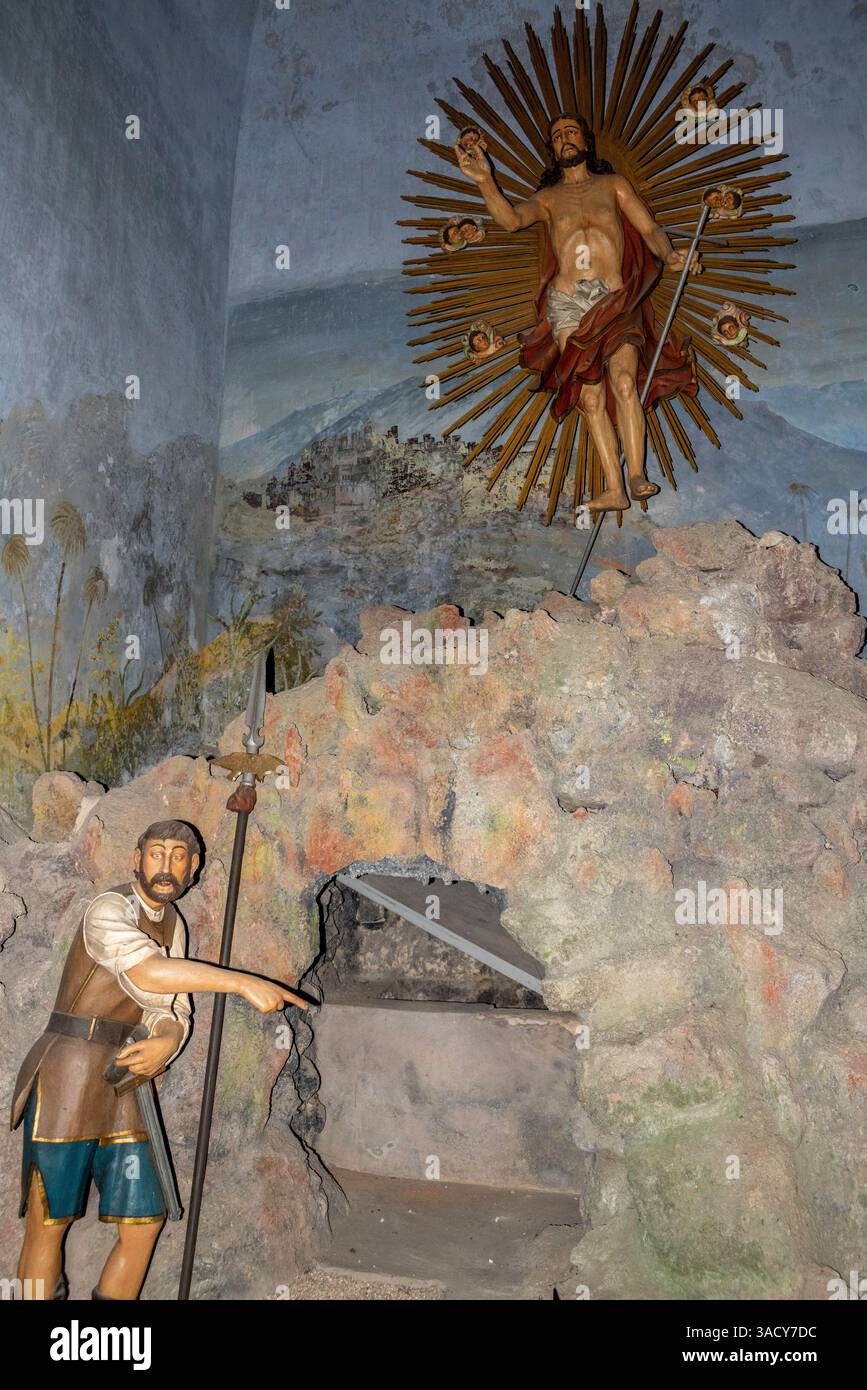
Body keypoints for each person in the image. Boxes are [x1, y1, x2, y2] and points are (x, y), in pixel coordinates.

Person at [10, 819, 306, 1301]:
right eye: (156, 853)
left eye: (178, 857)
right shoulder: (107, 909)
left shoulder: (174, 924)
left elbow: (171, 1006)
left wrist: (168, 1041)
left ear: (194, 868)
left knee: (143, 1218)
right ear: (136, 858)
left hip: (127, 1079)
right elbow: (147, 972)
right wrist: (240, 982)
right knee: (50, 1219)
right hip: (68, 1073)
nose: (165, 866)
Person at [455, 110, 700, 512]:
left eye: (571, 132)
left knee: (624, 383)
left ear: (585, 142)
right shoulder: (548, 199)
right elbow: (512, 220)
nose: (565, 139)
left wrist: (670, 253)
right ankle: (614, 488)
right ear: (553, 149)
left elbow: (649, 229)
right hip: (568, 303)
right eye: (556, 136)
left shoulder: (613, 185)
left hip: (616, 298)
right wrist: (485, 181)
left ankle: (636, 474)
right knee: (590, 396)